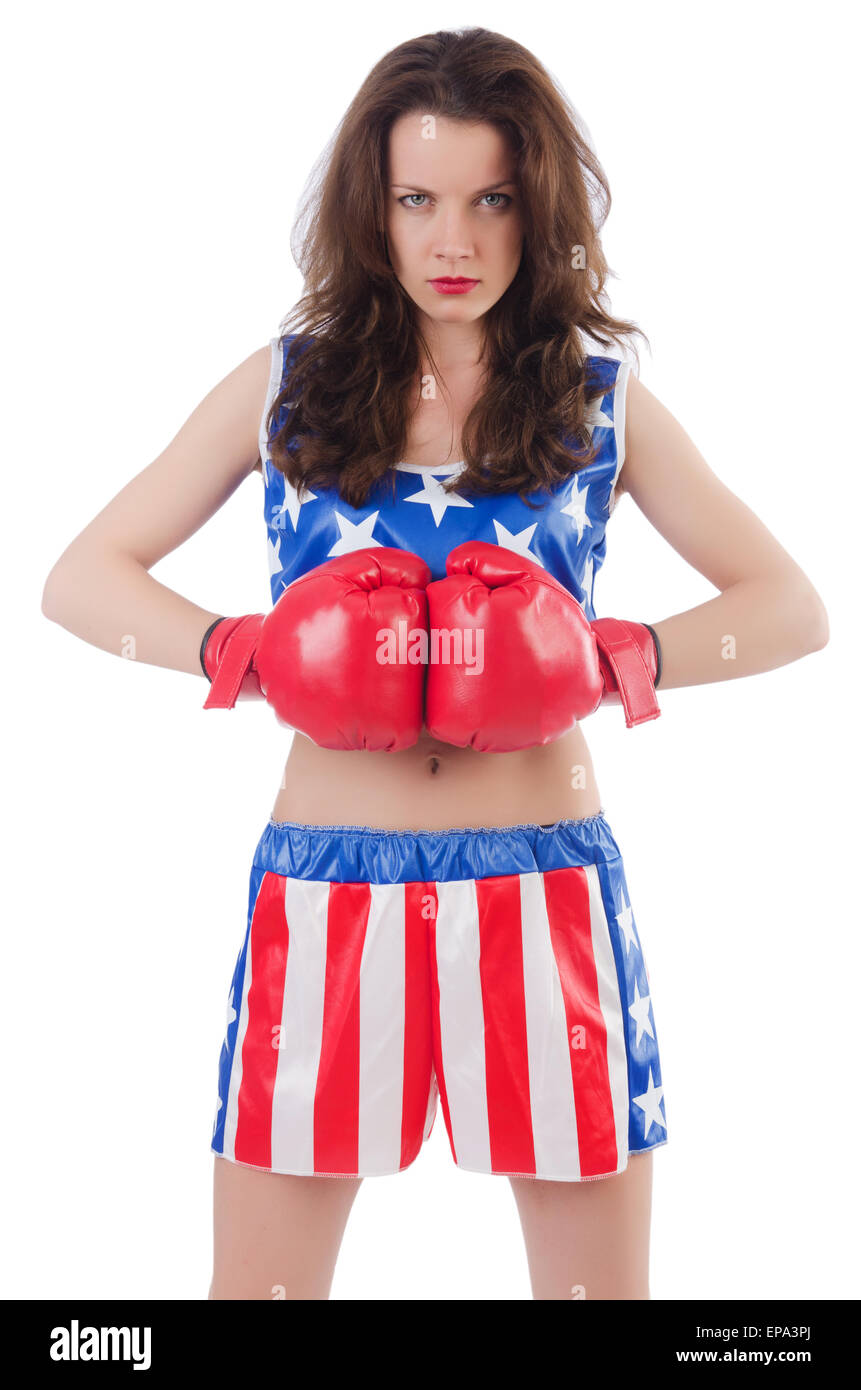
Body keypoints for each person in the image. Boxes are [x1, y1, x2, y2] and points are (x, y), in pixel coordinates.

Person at [41, 27, 829, 1301]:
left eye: (489, 200)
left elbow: (792, 609)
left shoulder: (597, 399)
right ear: (375, 208)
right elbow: (79, 578)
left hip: (545, 890)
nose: (452, 241)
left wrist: (609, 657)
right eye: (418, 200)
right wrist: (238, 651)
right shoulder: (284, 387)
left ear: (538, 208)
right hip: (323, 891)